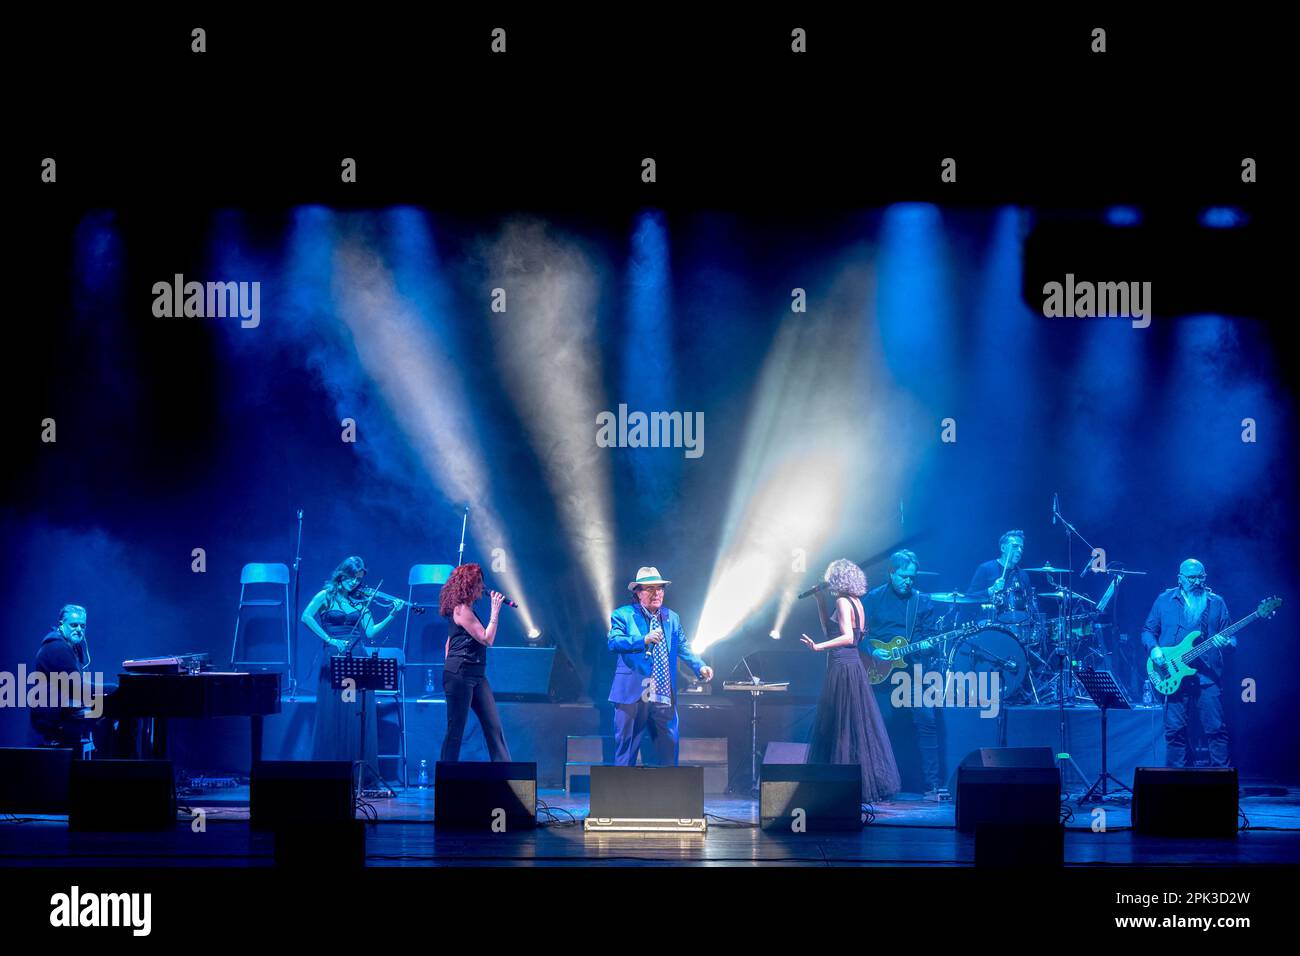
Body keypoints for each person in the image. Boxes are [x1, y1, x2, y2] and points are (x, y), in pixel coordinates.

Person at [802, 558, 901, 805]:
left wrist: (818, 647)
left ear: (837, 578)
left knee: (841, 724)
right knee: (853, 725)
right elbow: (831, 629)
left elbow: (847, 638)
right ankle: (853, 783)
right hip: (850, 665)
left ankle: (841, 785)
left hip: (844, 665)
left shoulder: (843, 601)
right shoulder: (855, 602)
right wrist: (819, 602)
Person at [301, 556, 405, 769]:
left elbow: (371, 631)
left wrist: (392, 614)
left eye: (358, 579)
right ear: (342, 574)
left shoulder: (361, 601)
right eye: (352, 578)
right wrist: (330, 639)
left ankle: (356, 771)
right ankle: (332, 768)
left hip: (357, 657)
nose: (355, 583)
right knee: (334, 712)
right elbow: (306, 616)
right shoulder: (326, 596)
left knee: (354, 711)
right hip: (333, 657)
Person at [607, 566, 713, 766]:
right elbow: (614, 642)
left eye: (660, 588)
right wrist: (643, 640)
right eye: (650, 589)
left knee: (669, 744)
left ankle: (669, 792)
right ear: (637, 592)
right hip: (634, 690)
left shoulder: (671, 617)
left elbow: (682, 645)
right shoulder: (623, 615)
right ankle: (621, 794)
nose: (657, 593)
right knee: (627, 747)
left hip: (663, 691)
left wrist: (699, 666)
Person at [862, 550, 944, 798]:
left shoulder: (923, 601)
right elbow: (860, 635)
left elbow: (929, 638)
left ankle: (932, 785)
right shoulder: (873, 598)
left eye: (912, 577)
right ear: (891, 573)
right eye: (904, 576)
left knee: (927, 721)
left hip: (911, 672)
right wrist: (874, 651)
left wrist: (926, 646)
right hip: (878, 672)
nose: (909, 581)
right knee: (879, 726)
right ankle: (878, 784)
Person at [1142, 558, 1232, 767]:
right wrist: (1154, 649)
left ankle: (1222, 785)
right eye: (1192, 577)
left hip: (1206, 678)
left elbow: (1232, 640)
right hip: (1172, 674)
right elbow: (1148, 630)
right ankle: (1176, 785)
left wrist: (1225, 643)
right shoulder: (1164, 600)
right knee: (1174, 732)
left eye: (1201, 577)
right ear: (1180, 579)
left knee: (1216, 730)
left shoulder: (1216, 602)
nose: (1197, 581)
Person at [438, 562, 512, 762]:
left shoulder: (465, 610)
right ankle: (447, 780)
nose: (482, 587)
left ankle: (509, 782)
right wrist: (495, 611)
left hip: (476, 675)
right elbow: (487, 639)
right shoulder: (461, 610)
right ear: (469, 585)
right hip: (460, 674)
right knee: (456, 730)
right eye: (479, 583)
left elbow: (449, 643)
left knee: (494, 727)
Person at [30, 604, 98, 751]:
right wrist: (115, 688)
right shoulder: (56, 648)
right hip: (54, 716)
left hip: (66, 708)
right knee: (106, 710)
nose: (79, 630)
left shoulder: (73, 647)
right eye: (74, 625)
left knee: (105, 709)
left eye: (82, 626)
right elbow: (78, 687)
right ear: (61, 625)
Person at [968, 529, 1030, 612]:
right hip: (988, 621)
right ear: (1003, 548)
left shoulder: (1023, 575)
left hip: (1017, 621)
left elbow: (1030, 602)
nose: (1019, 550)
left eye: (1021, 547)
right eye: (1015, 546)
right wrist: (991, 590)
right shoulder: (986, 568)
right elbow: (969, 597)